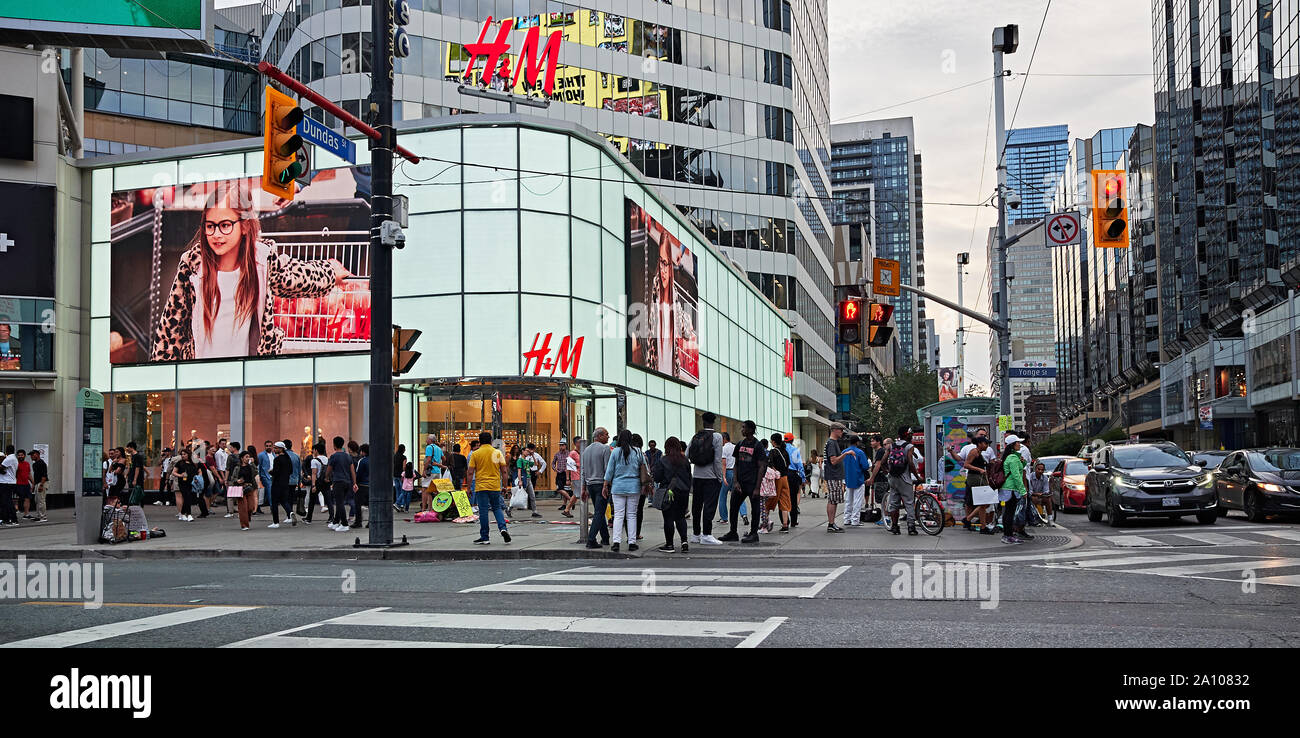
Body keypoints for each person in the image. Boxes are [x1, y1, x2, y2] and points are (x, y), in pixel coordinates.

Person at [150, 180, 351, 361]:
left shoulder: (262, 261)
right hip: (199, 380)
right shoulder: (193, 267)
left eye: (225, 225)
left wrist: (331, 273)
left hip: (248, 380)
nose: (216, 234)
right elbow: (170, 330)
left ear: (245, 226)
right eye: (210, 226)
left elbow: (295, 277)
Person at [719, 420, 764, 543]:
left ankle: (754, 534)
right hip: (741, 483)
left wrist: (757, 487)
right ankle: (733, 532)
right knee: (733, 506)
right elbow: (736, 464)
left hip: (753, 483)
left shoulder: (757, 445)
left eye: (744, 428)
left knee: (755, 509)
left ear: (750, 430)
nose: (742, 430)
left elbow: (762, 467)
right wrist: (735, 481)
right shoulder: (740, 444)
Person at [603, 428, 645, 553]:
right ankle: (632, 542)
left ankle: (616, 542)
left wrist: (605, 485)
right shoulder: (637, 451)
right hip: (634, 486)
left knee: (619, 515)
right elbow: (644, 468)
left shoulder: (615, 452)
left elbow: (609, 471)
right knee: (632, 515)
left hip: (618, 487)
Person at [688, 412, 725, 545]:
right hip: (711, 477)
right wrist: (719, 477)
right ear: (713, 422)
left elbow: (687, 454)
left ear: (703, 421)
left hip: (697, 476)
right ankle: (707, 535)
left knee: (696, 506)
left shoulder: (696, 436)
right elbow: (717, 460)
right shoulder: (717, 437)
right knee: (709, 506)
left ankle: (695, 534)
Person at [468, 431, 511, 545]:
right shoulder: (496, 453)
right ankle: (503, 528)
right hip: (495, 485)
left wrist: (468, 488)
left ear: (480, 441)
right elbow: (504, 471)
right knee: (497, 508)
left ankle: (485, 536)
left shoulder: (475, 454)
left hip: (481, 486)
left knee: (483, 511)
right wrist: (505, 486)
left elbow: (470, 472)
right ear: (491, 441)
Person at [653, 436, 692, 553]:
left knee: (668, 518)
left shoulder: (663, 460)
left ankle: (669, 545)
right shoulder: (685, 460)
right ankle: (684, 542)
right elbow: (689, 476)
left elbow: (658, 478)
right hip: (683, 492)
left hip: (668, 492)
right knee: (680, 517)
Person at [883, 425, 920, 536]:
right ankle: (911, 527)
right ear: (906, 434)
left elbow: (883, 461)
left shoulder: (891, 446)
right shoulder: (909, 446)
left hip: (893, 478)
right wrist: (917, 477)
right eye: (910, 433)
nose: (911, 435)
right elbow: (910, 462)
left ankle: (895, 527)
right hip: (905, 479)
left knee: (894, 503)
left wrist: (887, 472)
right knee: (909, 502)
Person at [582, 427, 613, 549]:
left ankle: (605, 538)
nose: (608, 436)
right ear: (599, 436)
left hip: (590, 484)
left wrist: (584, 488)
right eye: (606, 434)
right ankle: (591, 539)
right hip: (601, 484)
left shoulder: (586, 450)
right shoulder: (605, 449)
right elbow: (607, 469)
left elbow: (583, 471)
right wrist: (607, 484)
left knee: (600, 511)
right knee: (599, 512)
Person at [961, 436, 996, 534]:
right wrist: (979, 469)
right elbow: (966, 465)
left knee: (984, 503)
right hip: (975, 478)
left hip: (979, 478)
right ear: (980, 443)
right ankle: (982, 526)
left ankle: (969, 519)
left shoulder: (979, 453)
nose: (987, 446)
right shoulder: (974, 451)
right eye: (985, 443)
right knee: (984, 502)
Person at [999, 434, 1029, 544]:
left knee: (1008, 512)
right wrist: (1023, 491)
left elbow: (1019, 470)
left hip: (1008, 488)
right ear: (1013, 445)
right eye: (1018, 443)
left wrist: (1022, 461)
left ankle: (1008, 535)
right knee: (1009, 513)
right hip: (1011, 489)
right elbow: (1017, 476)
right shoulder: (1013, 458)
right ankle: (1008, 535)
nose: (1019, 445)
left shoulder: (1012, 457)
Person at [326, 436, 357, 532]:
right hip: (347, 482)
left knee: (339, 503)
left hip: (338, 481)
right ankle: (335, 522)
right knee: (341, 502)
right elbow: (352, 471)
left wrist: (326, 477)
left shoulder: (334, 456)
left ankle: (344, 524)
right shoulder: (348, 456)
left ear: (334, 445)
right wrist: (354, 483)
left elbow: (329, 469)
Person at [822, 423, 849, 533]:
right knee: (833, 500)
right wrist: (845, 454)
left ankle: (832, 523)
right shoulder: (832, 443)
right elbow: (833, 461)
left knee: (833, 500)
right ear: (835, 430)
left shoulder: (831, 442)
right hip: (833, 475)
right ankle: (831, 524)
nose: (842, 432)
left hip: (833, 475)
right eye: (841, 430)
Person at [766, 433, 793, 532]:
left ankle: (765, 523)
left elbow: (770, 465)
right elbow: (788, 464)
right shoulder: (785, 451)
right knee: (784, 500)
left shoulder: (773, 452)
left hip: (776, 479)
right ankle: (785, 525)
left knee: (770, 500)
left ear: (773, 442)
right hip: (785, 478)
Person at [840, 435, 869, 527]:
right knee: (857, 500)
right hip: (858, 478)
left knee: (848, 500)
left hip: (847, 478)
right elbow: (865, 466)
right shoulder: (860, 452)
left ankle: (846, 519)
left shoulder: (844, 452)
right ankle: (855, 520)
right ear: (857, 442)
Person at [267, 441, 296, 528]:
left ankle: (276, 522)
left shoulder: (277, 459)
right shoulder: (288, 459)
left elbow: (276, 472)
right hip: (285, 483)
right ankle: (290, 512)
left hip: (277, 483)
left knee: (274, 502)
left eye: (276, 448)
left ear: (281, 449)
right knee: (284, 500)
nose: (274, 449)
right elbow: (291, 471)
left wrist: (270, 472)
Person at [234, 450, 259, 531]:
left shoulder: (251, 466)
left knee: (251, 507)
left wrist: (253, 463)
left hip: (250, 487)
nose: (248, 459)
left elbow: (256, 472)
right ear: (242, 458)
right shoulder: (237, 468)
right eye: (246, 457)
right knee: (243, 508)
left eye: (249, 457)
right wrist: (237, 481)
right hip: (241, 488)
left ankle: (247, 518)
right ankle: (244, 525)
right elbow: (233, 478)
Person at [784, 432, 805, 527]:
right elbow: (800, 465)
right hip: (793, 475)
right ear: (792, 440)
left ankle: (785, 520)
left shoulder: (781, 449)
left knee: (783, 498)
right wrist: (803, 477)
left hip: (783, 474)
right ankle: (793, 521)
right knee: (793, 499)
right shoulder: (795, 450)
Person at [717, 432, 738, 525]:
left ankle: (724, 518)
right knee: (738, 494)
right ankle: (744, 514)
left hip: (728, 472)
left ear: (724, 438)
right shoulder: (735, 447)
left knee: (722, 495)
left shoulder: (723, 448)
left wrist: (724, 477)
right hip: (736, 472)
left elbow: (723, 464)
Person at [1028, 461, 1055, 527]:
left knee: (1048, 500)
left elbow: (1046, 490)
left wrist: (1045, 494)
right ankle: (1035, 518)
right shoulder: (1030, 477)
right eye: (1039, 469)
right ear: (1035, 469)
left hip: (1041, 496)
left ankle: (1050, 519)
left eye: (1042, 470)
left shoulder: (1045, 478)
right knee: (1034, 499)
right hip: (1031, 496)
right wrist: (1036, 494)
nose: (1040, 471)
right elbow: (1030, 491)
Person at [223, 441, 243, 519]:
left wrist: (225, 479)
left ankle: (230, 512)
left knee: (230, 496)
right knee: (239, 496)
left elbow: (227, 469)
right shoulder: (241, 456)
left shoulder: (230, 457)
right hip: (240, 478)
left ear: (234, 448)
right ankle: (240, 511)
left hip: (231, 478)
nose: (229, 449)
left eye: (230, 447)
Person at [352, 443, 369, 528]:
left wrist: (355, 483)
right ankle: (371, 521)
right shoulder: (374, 460)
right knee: (371, 505)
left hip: (362, 485)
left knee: (357, 504)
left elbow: (358, 473)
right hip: (371, 485)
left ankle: (358, 522)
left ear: (363, 452)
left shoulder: (362, 461)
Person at [29, 448, 48, 522]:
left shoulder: (41, 463)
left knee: (41, 500)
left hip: (42, 482)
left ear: (37, 455)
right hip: (37, 483)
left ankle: (43, 517)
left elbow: (44, 475)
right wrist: (33, 485)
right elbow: (36, 476)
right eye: (30, 455)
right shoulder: (34, 464)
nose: (31, 457)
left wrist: (41, 485)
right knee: (37, 500)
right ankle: (39, 515)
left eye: (32, 455)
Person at [0, 445, 17, 526]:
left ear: (7, 450)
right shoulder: (13, 458)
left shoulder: (9, 458)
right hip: (9, 482)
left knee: (8, 502)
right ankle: (6, 519)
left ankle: (14, 519)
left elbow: (1, 468)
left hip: (6, 483)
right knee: (5, 502)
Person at [14, 450, 32, 519]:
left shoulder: (27, 463)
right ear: (17, 456)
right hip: (18, 484)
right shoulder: (16, 464)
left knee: (27, 499)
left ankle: (26, 514)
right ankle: (14, 514)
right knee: (17, 499)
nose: (20, 456)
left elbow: (29, 474)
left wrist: (33, 482)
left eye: (22, 455)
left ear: (24, 455)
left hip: (26, 484)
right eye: (19, 455)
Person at [257, 441, 273, 515]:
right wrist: (259, 476)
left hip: (273, 476)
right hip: (265, 476)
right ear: (265, 446)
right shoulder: (261, 455)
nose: (268, 447)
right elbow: (259, 466)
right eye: (267, 446)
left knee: (272, 492)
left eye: (270, 446)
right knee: (269, 492)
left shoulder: (274, 454)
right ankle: (272, 507)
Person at [393, 443, 409, 513]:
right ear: (403, 450)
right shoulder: (404, 457)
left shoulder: (394, 456)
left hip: (394, 475)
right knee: (404, 490)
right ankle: (400, 504)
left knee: (397, 490)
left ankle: (398, 505)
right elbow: (404, 467)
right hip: (401, 475)